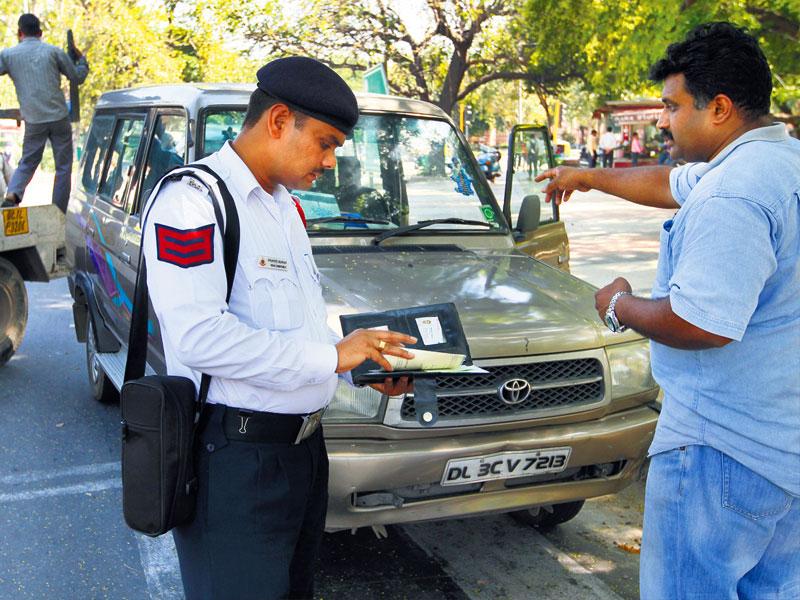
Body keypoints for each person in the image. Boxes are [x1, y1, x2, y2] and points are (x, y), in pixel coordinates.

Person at [534, 22, 799, 600]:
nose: (662, 121)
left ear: (720, 108)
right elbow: (670, 182)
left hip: (723, 447)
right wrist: (589, 177)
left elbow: (702, 323)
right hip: (784, 445)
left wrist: (619, 304)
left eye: (672, 107)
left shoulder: (736, 193)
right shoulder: (778, 164)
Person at [141, 57, 416, 599]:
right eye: (325, 142)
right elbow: (198, 338)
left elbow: (295, 329)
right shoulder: (192, 202)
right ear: (278, 120)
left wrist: (357, 364)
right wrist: (331, 358)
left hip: (304, 455)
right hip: (236, 462)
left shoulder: (285, 208)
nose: (330, 161)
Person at [0, 14, 88, 212]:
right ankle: (58, 211)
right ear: (40, 33)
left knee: (28, 160)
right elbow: (77, 76)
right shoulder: (53, 52)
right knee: (63, 168)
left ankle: (13, 193)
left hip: (34, 119)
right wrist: (81, 60)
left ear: (19, 33)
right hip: (58, 117)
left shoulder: (8, 55)